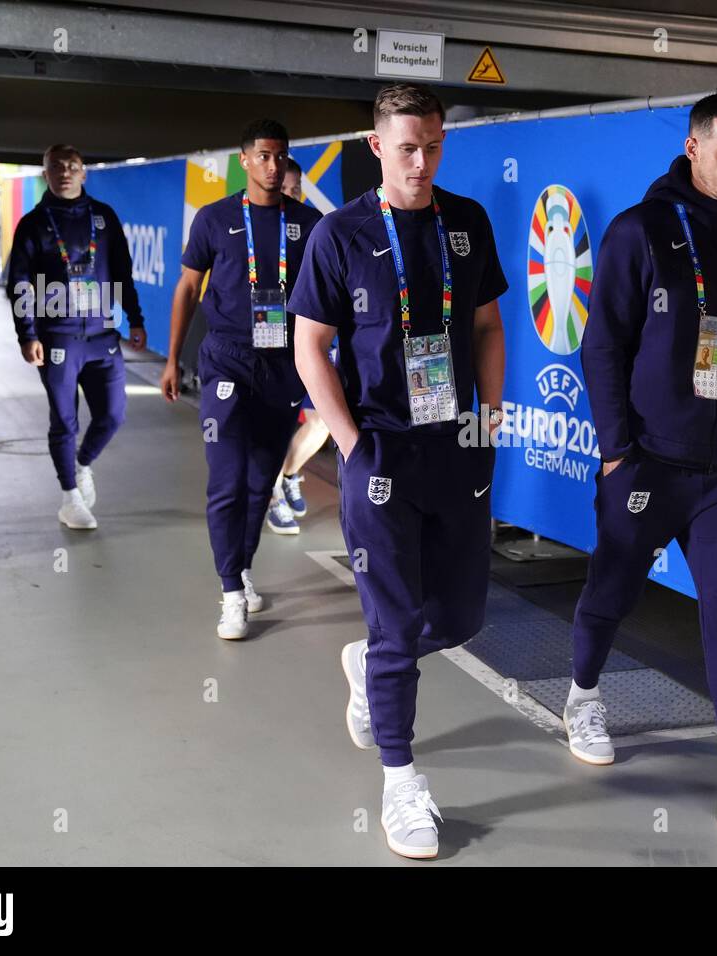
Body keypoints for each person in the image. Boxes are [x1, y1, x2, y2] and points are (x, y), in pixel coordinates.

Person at [567, 93, 717, 840]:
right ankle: (582, 693)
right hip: (648, 464)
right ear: (694, 146)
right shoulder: (639, 233)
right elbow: (601, 346)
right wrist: (615, 452)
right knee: (613, 590)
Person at [290, 83, 506, 860]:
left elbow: (486, 325)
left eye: (434, 146)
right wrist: (348, 443)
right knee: (392, 622)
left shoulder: (468, 223)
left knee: (457, 618)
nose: (422, 162)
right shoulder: (339, 234)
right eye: (407, 147)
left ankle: (368, 660)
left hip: (457, 449)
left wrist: (488, 415)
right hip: (379, 450)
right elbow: (309, 346)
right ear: (377, 145)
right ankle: (401, 777)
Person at [159, 119, 321, 640]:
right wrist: (171, 360)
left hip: (282, 366)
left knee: (259, 483)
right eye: (264, 157)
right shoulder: (215, 219)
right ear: (245, 160)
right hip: (226, 360)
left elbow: (327, 299)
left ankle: (243, 570)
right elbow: (187, 290)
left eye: (281, 157)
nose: (274, 167)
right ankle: (230, 592)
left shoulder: (309, 223)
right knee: (227, 479)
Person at [6, 143, 147, 529]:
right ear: (46, 174)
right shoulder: (33, 224)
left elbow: (122, 272)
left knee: (113, 414)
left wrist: (135, 318)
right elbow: (18, 282)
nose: (65, 172)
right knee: (64, 420)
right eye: (56, 167)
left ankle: (82, 464)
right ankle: (69, 497)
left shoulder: (104, 216)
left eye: (73, 166)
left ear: (84, 173)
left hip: (102, 335)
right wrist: (26, 334)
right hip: (57, 338)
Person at [265, 158, 331, 535]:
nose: (291, 196)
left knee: (323, 418)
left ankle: (289, 474)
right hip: (269, 340)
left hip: (310, 338)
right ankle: (273, 496)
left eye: (296, 190)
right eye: (285, 190)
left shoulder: (313, 225)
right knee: (275, 425)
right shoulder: (250, 227)